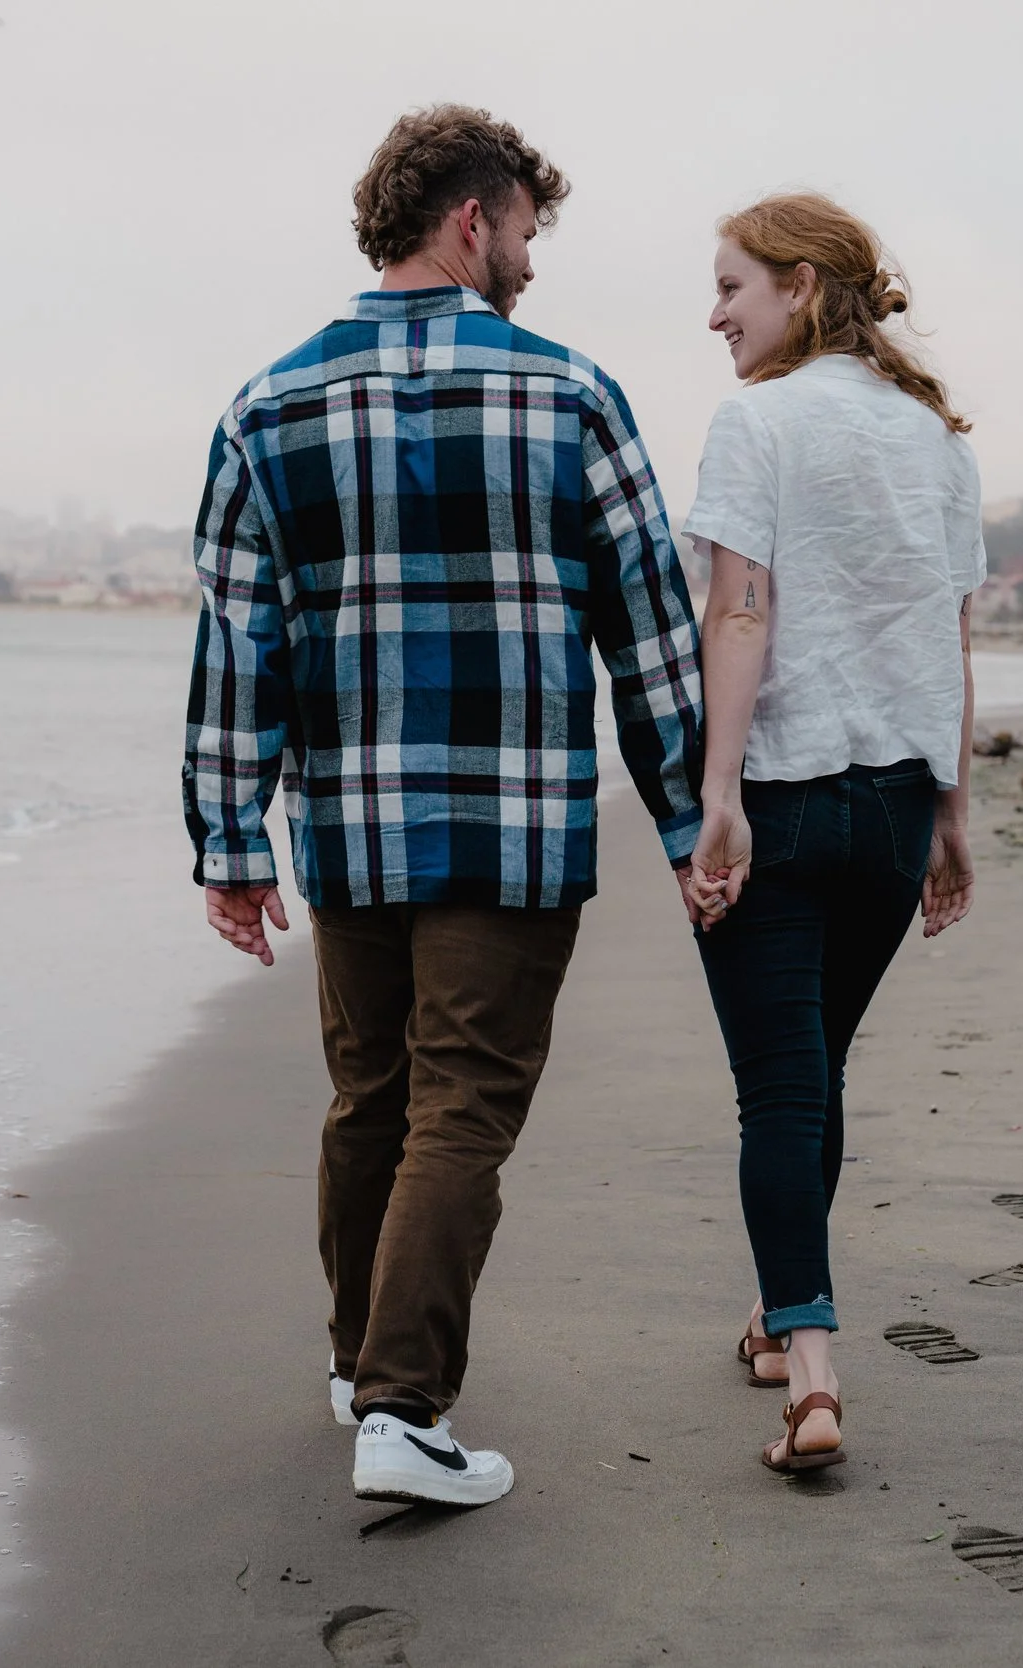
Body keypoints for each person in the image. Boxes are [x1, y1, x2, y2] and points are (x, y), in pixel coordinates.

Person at [181, 105, 704, 1508]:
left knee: (373, 1097)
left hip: (348, 826)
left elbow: (238, 642)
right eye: (525, 228)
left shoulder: (266, 405)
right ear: (473, 219)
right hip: (512, 823)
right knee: (460, 1103)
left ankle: (360, 1363)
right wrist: (686, 816)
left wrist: (229, 841)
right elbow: (650, 629)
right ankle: (403, 1415)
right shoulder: (572, 393)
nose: (529, 256)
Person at [677, 192, 982, 1474]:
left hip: (788, 795)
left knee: (781, 1091)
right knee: (815, 1075)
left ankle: (811, 1368)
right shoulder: (935, 439)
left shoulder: (756, 423)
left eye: (731, 287)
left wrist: (718, 795)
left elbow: (739, 613)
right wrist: (951, 813)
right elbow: (947, 637)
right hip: (896, 807)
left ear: (800, 286)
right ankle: (771, 1322)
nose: (715, 315)